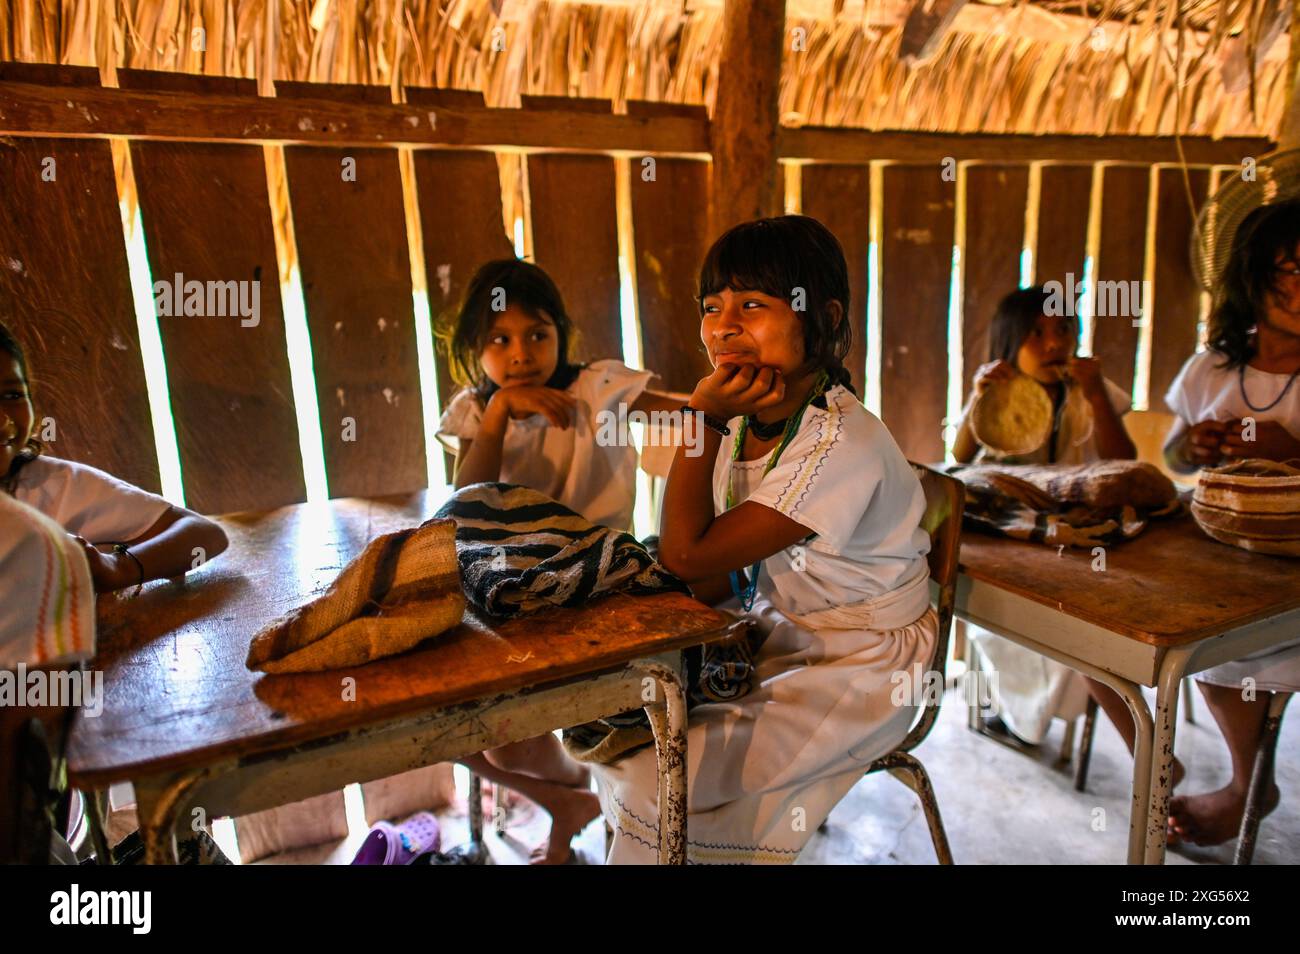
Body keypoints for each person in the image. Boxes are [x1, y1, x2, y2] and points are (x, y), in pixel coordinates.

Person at [591, 214, 938, 863]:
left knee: (654, 784)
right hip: (780, 631)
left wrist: (701, 418)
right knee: (628, 736)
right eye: (712, 306)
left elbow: (688, 555)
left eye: (752, 304)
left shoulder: (841, 440)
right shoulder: (746, 423)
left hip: (864, 665)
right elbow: (706, 577)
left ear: (824, 317)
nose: (724, 326)